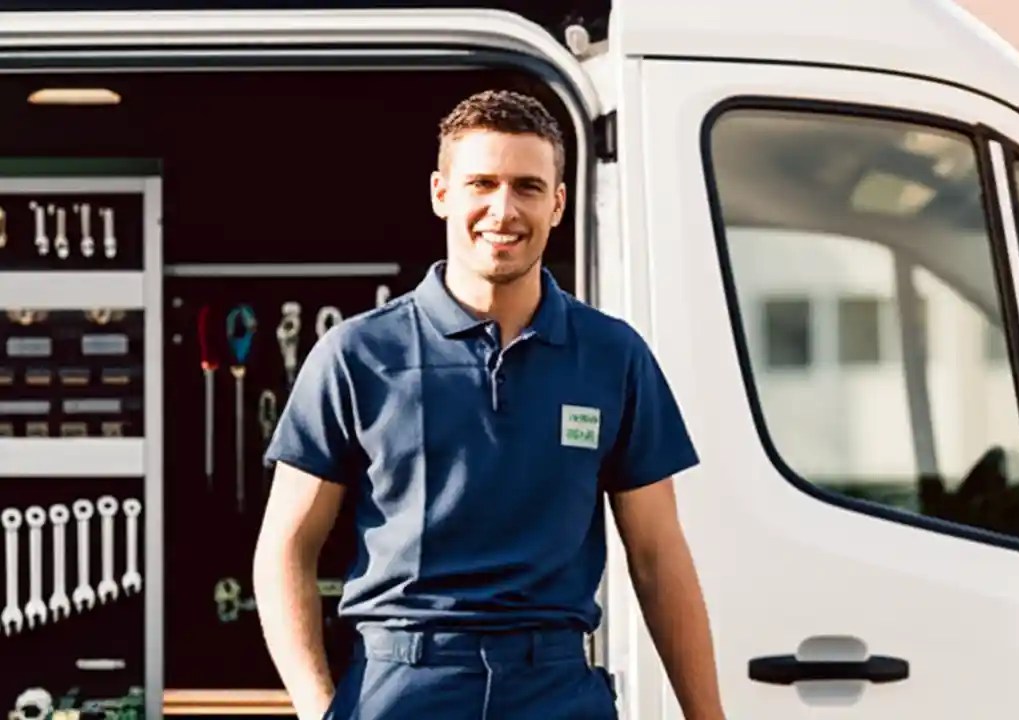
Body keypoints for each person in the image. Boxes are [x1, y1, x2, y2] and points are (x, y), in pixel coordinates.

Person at [252, 89, 725, 720]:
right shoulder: (358, 354)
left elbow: (658, 552)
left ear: (558, 204)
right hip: (401, 688)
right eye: (482, 183)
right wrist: (317, 708)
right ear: (441, 193)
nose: (503, 211)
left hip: (555, 690)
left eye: (528, 187)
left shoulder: (614, 357)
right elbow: (285, 545)